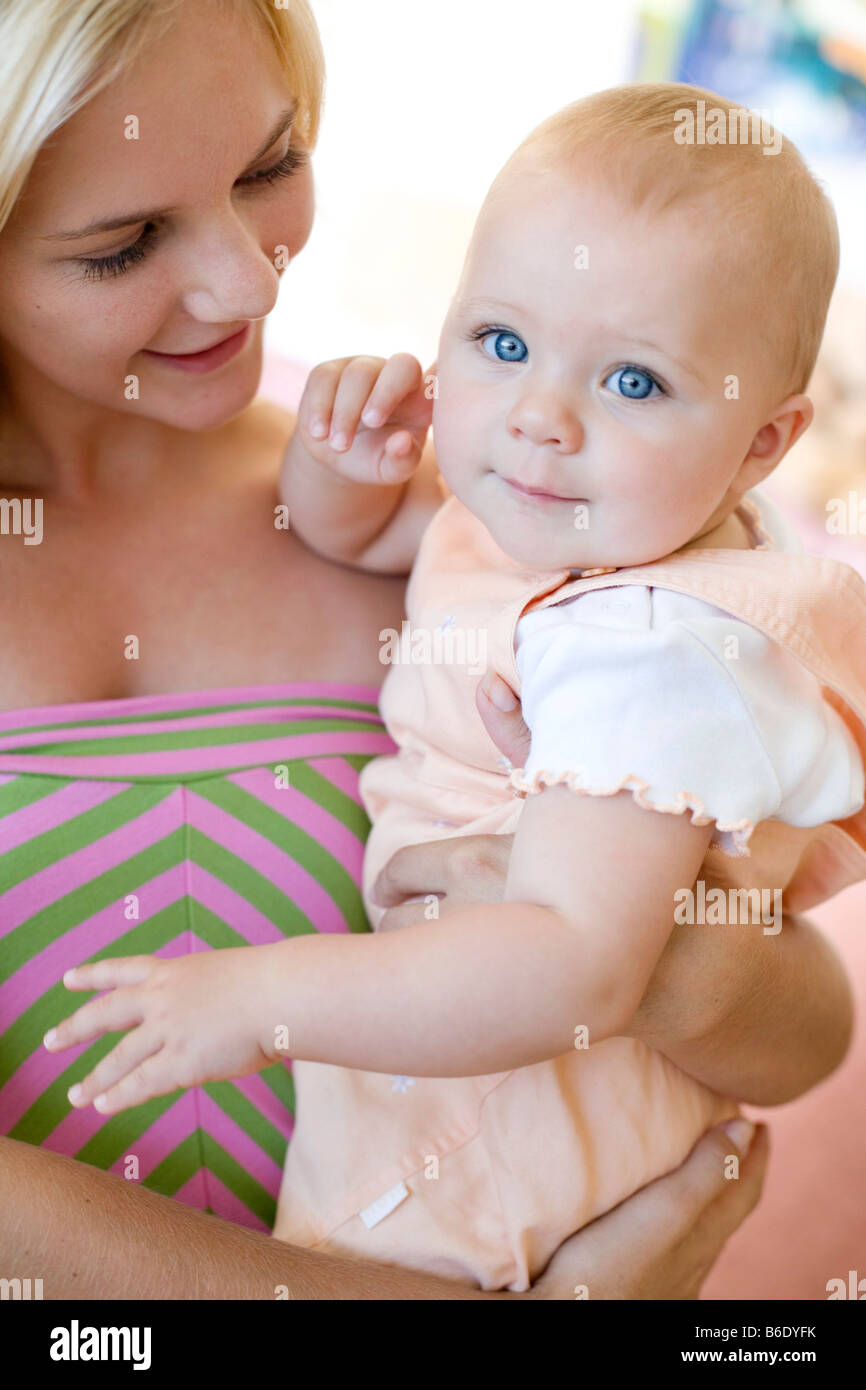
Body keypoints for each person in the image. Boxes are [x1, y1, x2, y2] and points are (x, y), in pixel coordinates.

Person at [0, 0, 853, 1298]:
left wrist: (664, 948)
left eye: (268, 167)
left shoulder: (564, 554)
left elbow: (801, 1026)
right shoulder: (454, 501)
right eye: (122, 243)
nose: (247, 282)